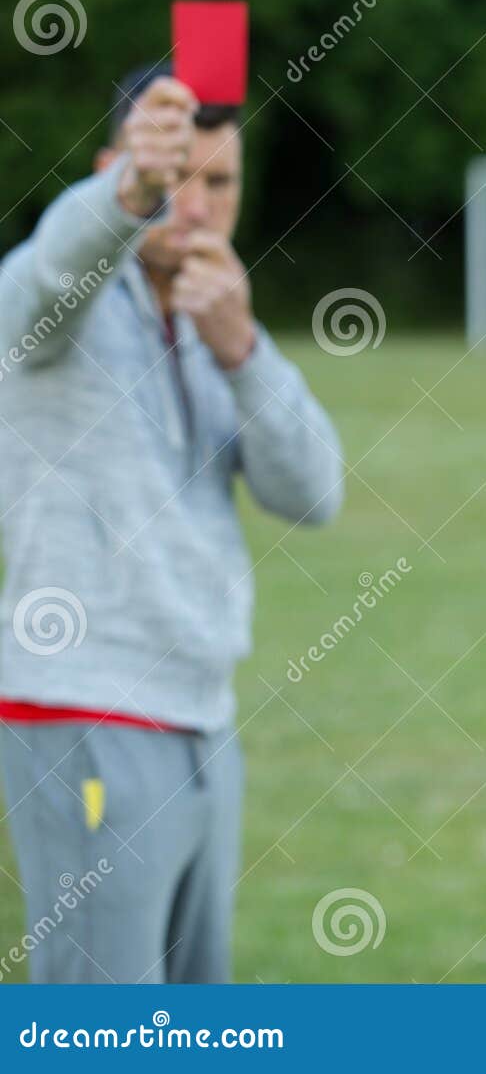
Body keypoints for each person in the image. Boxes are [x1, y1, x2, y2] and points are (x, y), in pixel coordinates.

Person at [0, 64, 344, 983]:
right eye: (170, 175)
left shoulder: (209, 318)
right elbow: (51, 269)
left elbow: (314, 490)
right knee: (99, 1025)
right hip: (85, 701)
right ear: (120, 167)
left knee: (195, 1012)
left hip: (201, 713)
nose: (194, 204)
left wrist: (245, 350)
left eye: (219, 180)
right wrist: (124, 197)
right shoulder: (51, 308)